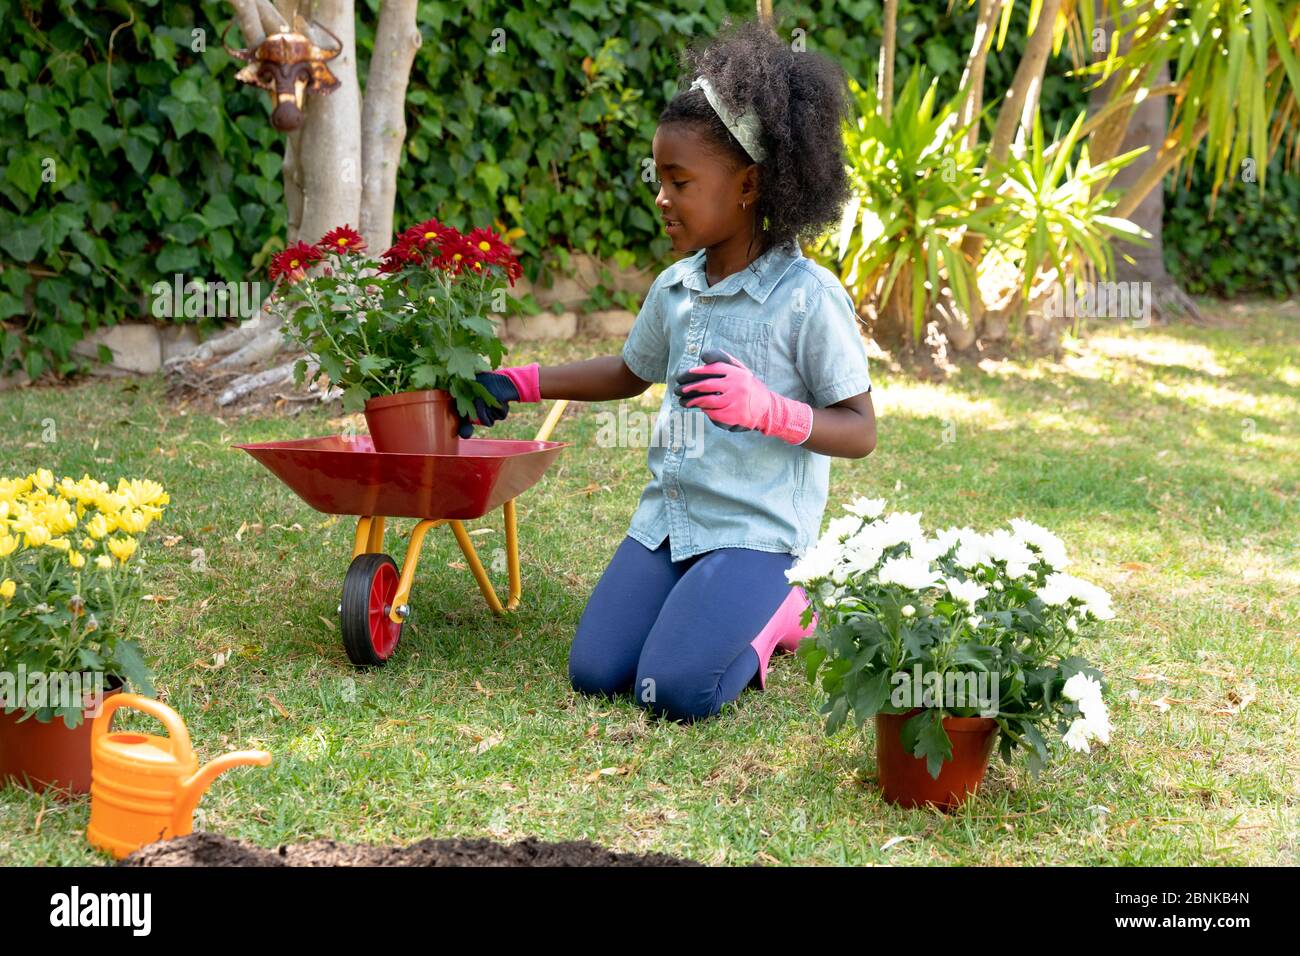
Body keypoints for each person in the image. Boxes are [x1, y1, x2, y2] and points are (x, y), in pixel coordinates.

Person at [457, 18, 876, 722]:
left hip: (756, 533)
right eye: (659, 179)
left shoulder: (807, 298)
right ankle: (705, 602)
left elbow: (860, 430)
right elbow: (628, 372)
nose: (661, 198)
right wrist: (520, 382)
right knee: (597, 674)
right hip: (669, 523)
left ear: (747, 185)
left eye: (679, 181)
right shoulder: (676, 287)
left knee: (677, 692)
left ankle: (786, 607)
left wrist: (770, 409)